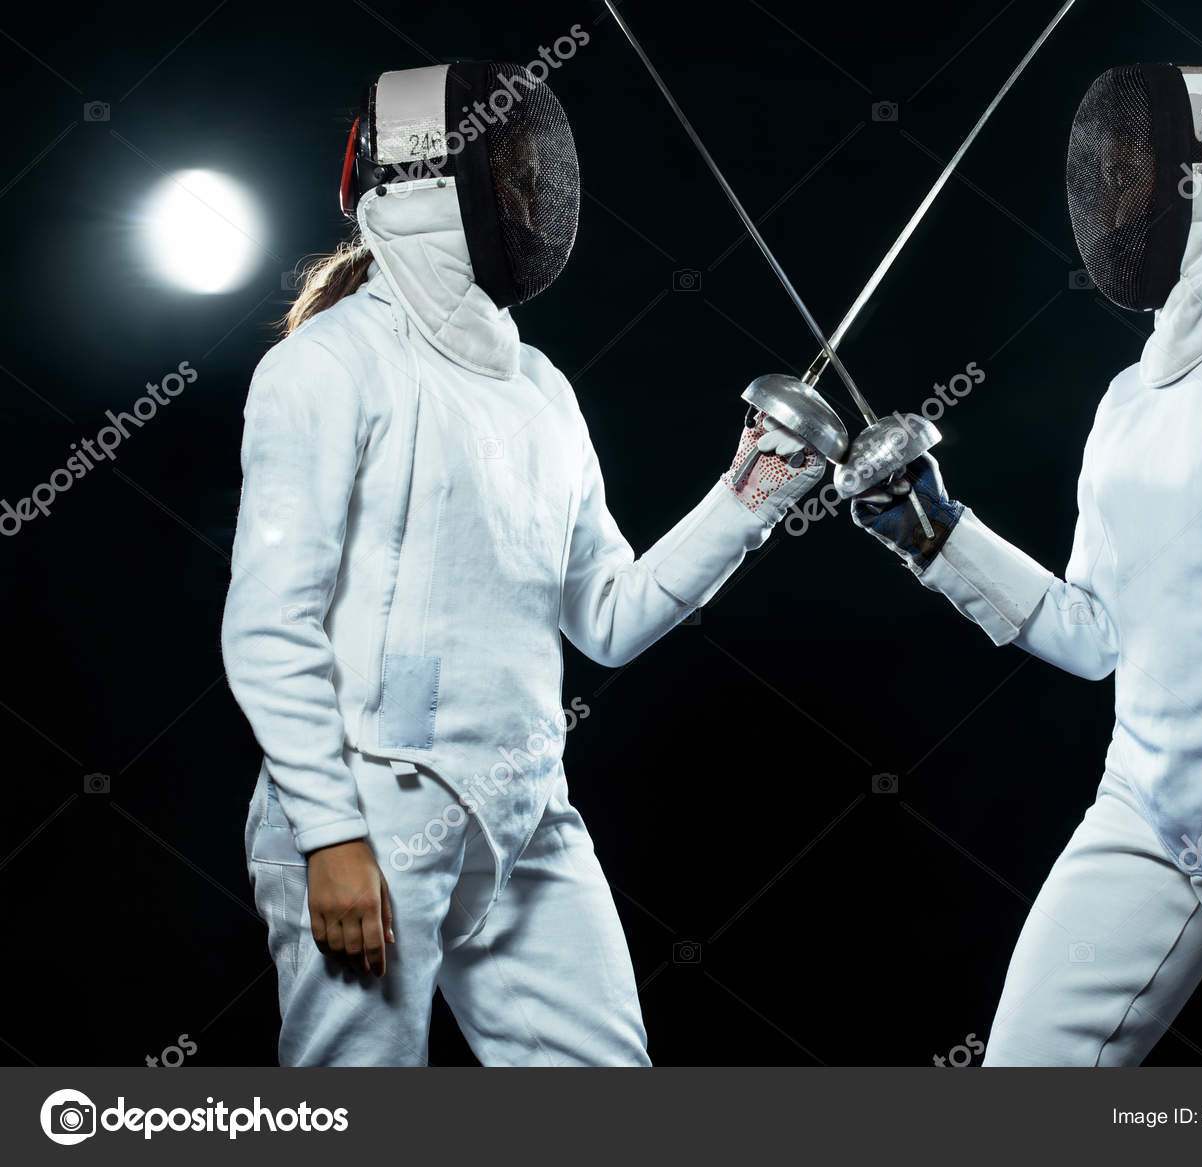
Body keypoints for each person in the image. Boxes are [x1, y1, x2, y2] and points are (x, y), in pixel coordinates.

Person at [221, 61, 822, 1066]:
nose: (535, 199)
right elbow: (268, 622)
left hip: (526, 806)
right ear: (422, 181)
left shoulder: (538, 387)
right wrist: (327, 835)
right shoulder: (323, 367)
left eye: (537, 175)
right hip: (368, 804)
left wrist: (753, 495)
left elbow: (609, 618)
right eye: (512, 173)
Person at [852, 64, 1202, 1065]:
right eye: (1110, 179)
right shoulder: (1127, 400)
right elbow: (1090, 635)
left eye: (1141, 175)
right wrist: (935, 532)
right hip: (1143, 805)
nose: (1118, 203)